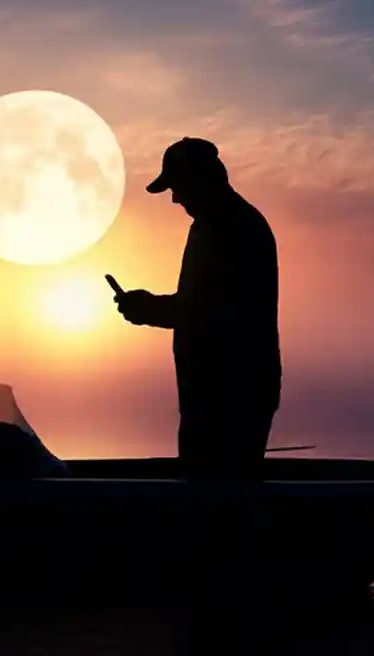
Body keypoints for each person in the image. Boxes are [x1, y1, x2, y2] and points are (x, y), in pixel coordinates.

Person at [115, 137, 281, 481]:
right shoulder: (213, 227)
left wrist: (148, 309)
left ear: (201, 179)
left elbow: (213, 313)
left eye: (177, 187)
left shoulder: (234, 230)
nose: (174, 198)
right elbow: (201, 307)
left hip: (231, 398)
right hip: (211, 395)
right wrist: (151, 308)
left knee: (218, 501)